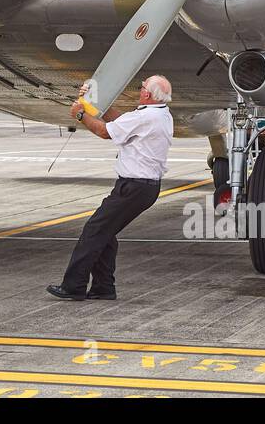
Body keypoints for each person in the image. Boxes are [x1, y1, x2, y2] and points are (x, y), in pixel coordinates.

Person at [47, 74, 174, 301]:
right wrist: (95, 104)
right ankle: (104, 287)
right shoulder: (160, 114)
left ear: (146, 94)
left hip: (134, 187)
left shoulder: (145, 117)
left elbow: (105, 131)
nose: (139, 89)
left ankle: (73, 286)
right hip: (142, 188)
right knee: (105, 234)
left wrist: (80, 114)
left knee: (93, 230)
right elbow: (120, 122)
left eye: (141, 87)